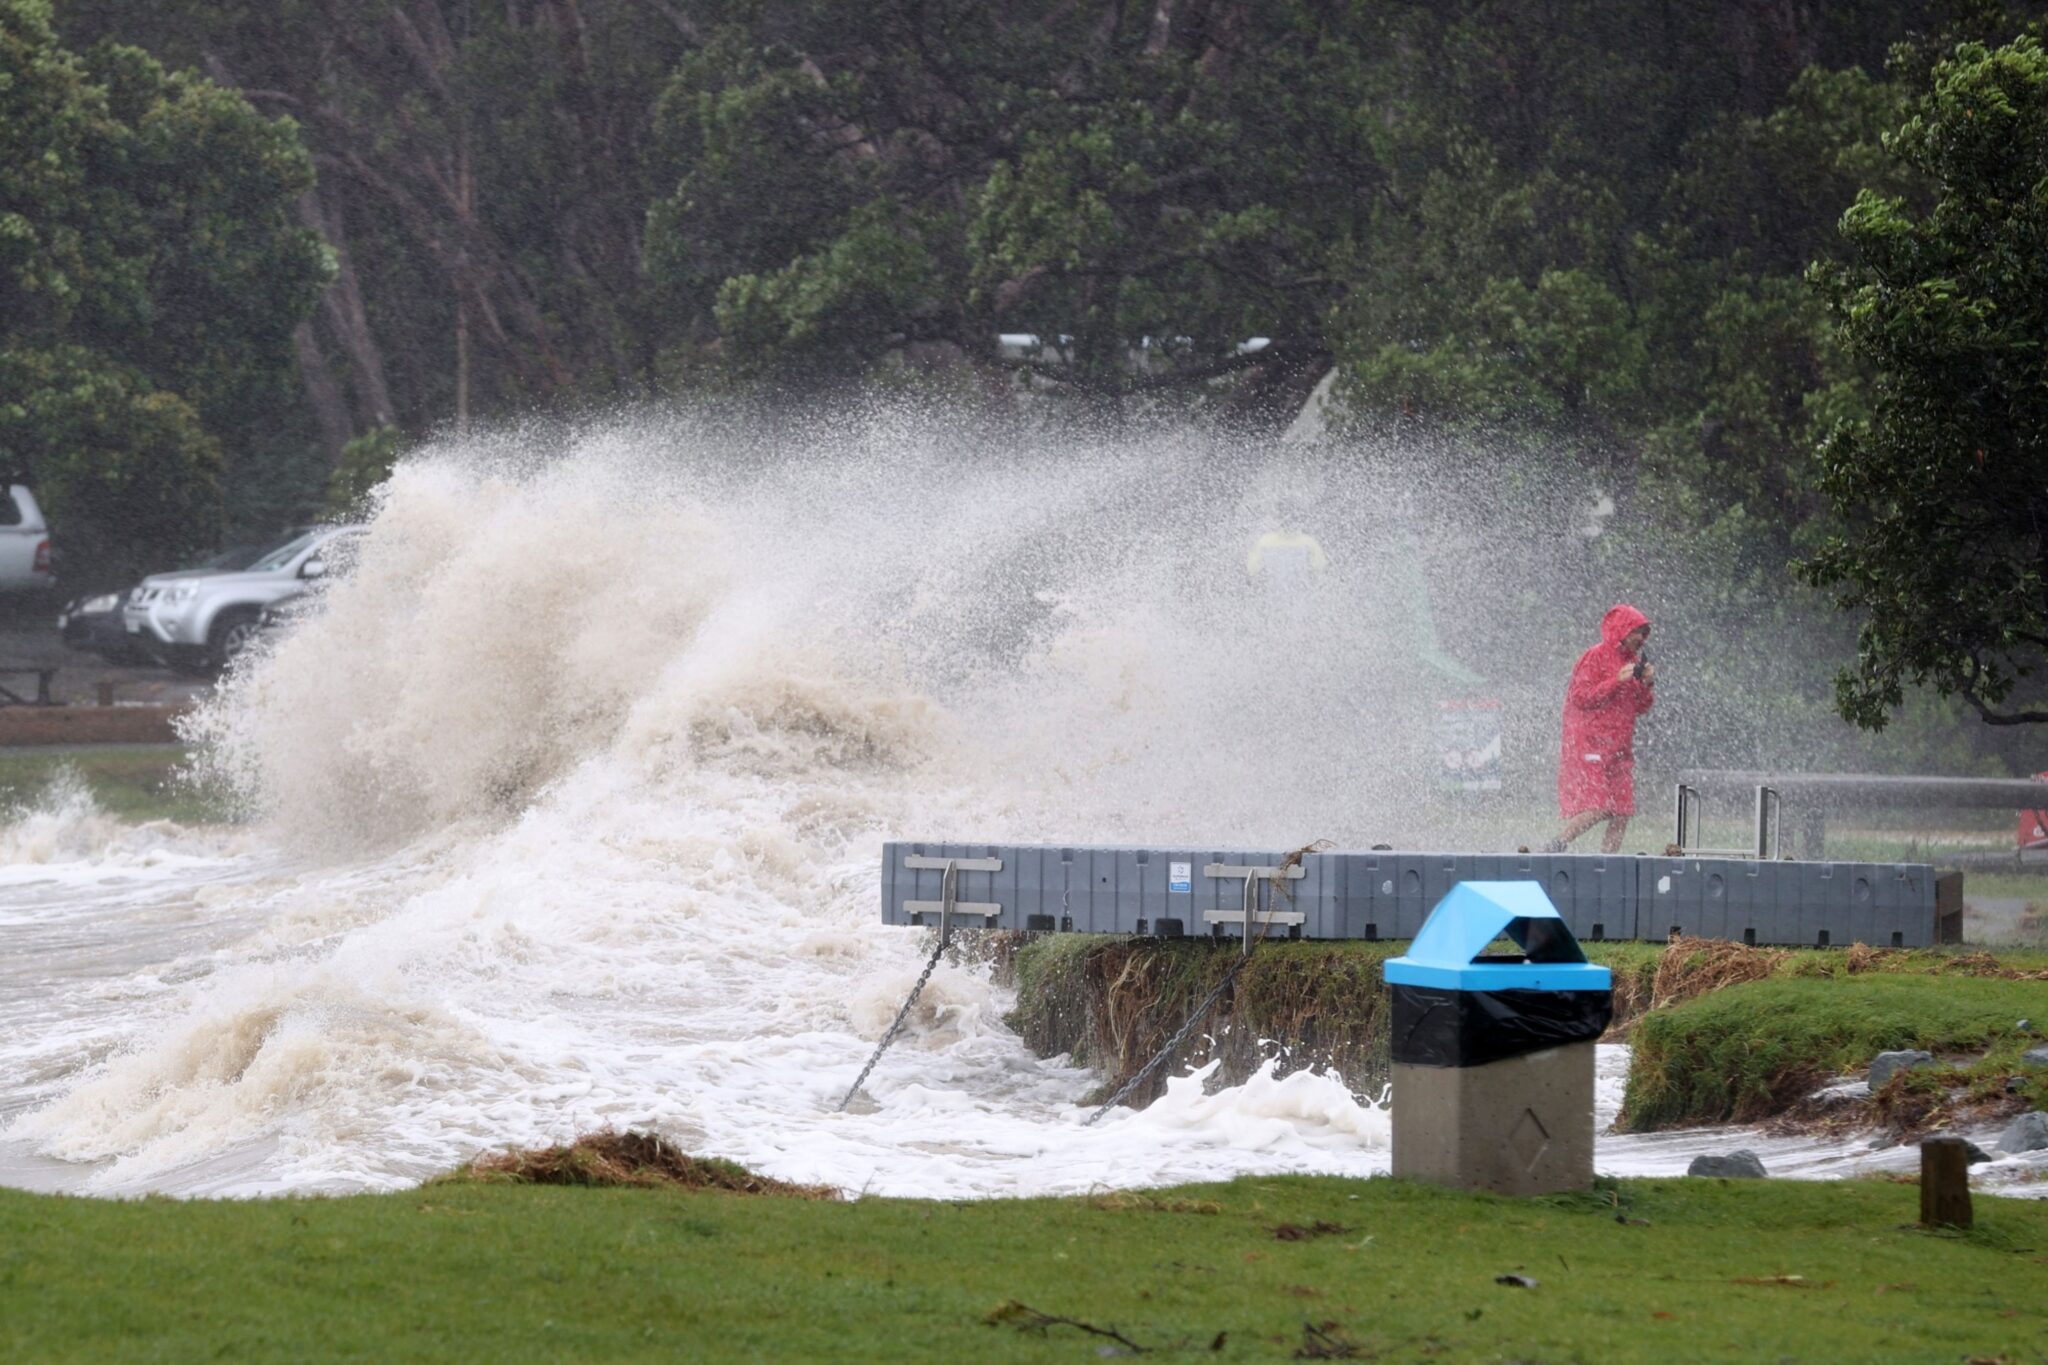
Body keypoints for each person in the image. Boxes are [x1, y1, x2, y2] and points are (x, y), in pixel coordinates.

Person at [1545, 604, 1655, 853]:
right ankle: (1556, 845)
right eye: (1636, 631)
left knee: (1622, 810)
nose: (1641, 638)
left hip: (1620, 749)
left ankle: (1608, 864)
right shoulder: (1595, 656)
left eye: (1643, 633)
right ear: (1622, 630)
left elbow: (1640, 706)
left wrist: (1647, 684)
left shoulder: (1634, 663)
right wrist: (1615, 682)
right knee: (1600, 806)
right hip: (1591, 744)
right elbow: (1581, 697)